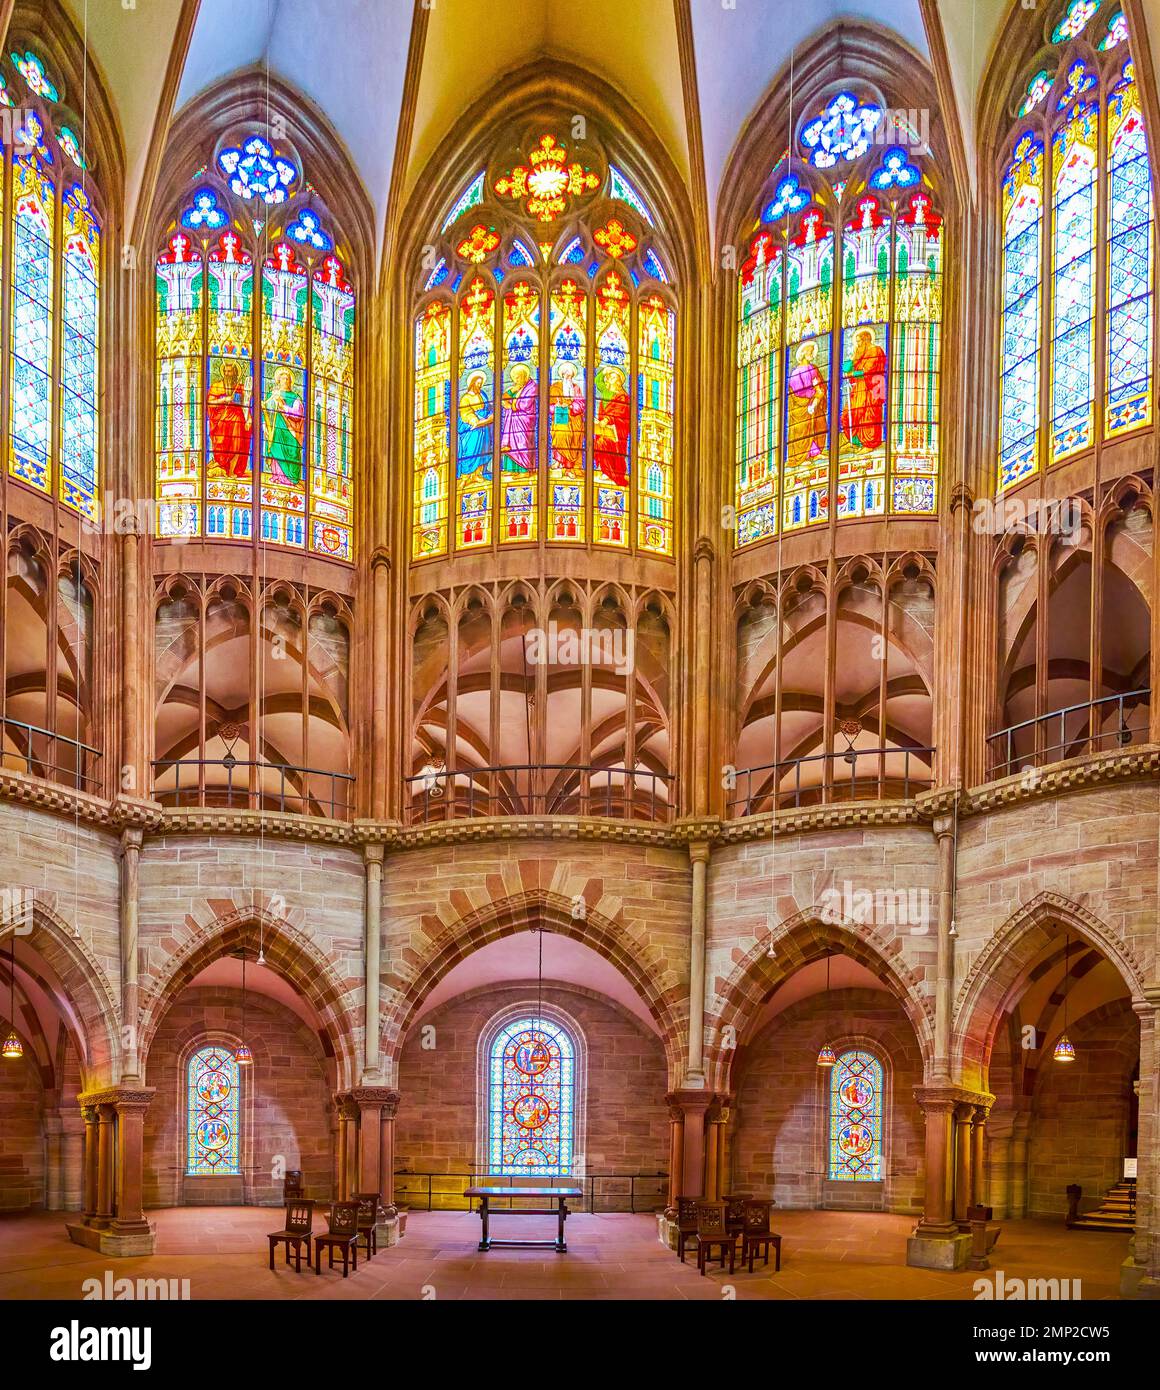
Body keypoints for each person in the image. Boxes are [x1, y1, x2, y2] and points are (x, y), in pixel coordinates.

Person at [842, 327, 887, 450]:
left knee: (869, 416)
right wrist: (853, 360)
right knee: (847, 415)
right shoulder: (860, 353)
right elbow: (847, 369)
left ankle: (869, 444)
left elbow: (868, 370)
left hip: (873, 388)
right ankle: (856, 442)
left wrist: (853, 374)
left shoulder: (875, 350)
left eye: (859, 341)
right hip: (859, 389)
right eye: (856, 342)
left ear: (866, 339)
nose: (858, 344)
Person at [207, 358, 252, 478]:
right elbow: (210, 403)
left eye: (230, 371)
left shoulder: (239, 388)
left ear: (235, 373)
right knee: (221, 443)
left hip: (237, 417)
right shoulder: (217, 386)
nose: (227, 373)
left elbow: (246, 405)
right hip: (220, 419)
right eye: (225, 371)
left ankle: (232, 469)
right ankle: (221, 465)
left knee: (237, 442)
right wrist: (223, 399)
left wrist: (249, 419)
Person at [786, 339, 828, 464]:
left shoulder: (813, 368)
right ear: (803, 353)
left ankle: (816, 452)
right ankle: (803, 456)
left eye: (812, 351)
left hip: (815, 403)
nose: (811, 353)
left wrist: (820, 392)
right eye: (809, 351)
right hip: (802, 405)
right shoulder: (796, 372)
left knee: (820, 424)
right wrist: (814, 393)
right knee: (803, 429)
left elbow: (819, 384)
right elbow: (798, 392)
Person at [262, 365, 305, 486]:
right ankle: (277, 475)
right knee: (276, 448)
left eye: (287, 379)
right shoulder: (273, 395)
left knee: (291, 451)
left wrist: (283, 406)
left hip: (290, 430)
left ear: (290, 382)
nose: (285, 381)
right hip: (276, 429)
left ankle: (289, 478)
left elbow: (298, 414)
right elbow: (266, 412)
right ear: (278, 381)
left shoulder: (295, 398)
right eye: (282, 379)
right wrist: (264, 424)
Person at [594, 365, 630, 486]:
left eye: (613, 377)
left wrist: (608, 419)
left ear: (619, 381)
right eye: (609, 377)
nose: (610, 379)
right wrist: (604, 372)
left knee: (604, 444)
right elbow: (598, 382)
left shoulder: (623, 396)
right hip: (604, 428)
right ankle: (606, 471)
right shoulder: (607, 392)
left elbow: (620, 412)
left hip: (618, 432)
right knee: (599, 443)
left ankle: (614, 474)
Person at [501, 364, 538, 472]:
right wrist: (513, 390)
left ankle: (524, 470)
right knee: (512, 444)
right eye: (514, 378)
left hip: (525, 421)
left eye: (517, 377)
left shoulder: (532, 387)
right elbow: (503, 397)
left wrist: (510, 406)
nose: (516, 380)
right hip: (513, 420)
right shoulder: (518, 387)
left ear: (524, 375)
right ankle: (511, 470)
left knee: (522, 443)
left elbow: (525, 404)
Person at [550, 362, 585, 474]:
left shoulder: (576, 388)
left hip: (574, 419)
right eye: (565, 374)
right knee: (560, 435)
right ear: (562, 374)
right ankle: (559, 461)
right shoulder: (555, 387)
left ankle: (569, 468)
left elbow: (581, 404)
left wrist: (570, 406)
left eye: (570, 375)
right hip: (560, 416)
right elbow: (549, 404)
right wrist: (557, 407)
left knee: (573, 440)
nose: (567, 377)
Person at [457, 371, 493, 477]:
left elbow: (487, 407)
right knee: (472, 449)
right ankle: (469, 475)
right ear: (472, 383)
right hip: (473, 426)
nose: (480, 385)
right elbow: (466, 412)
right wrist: (474, 420)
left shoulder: (482, 395)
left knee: (483, 449)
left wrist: (490, 416)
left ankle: (479, 473)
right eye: (478, 383)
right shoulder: (466, 398)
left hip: (484, 426)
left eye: (481, 383)